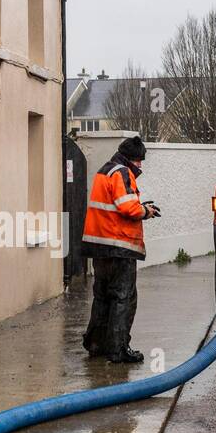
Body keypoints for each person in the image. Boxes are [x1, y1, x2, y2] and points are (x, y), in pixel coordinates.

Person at [81, 136, 161, 363]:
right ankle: (118, 349)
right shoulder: (122, 172)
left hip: (99, 246)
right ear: (131, 159)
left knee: (102, 297)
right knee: (123, 298)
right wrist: (146, 211)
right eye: (139, 161)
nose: (141, 166)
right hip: (119, 247)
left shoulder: (103, 171)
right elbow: (128, 207)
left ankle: (96, 344)